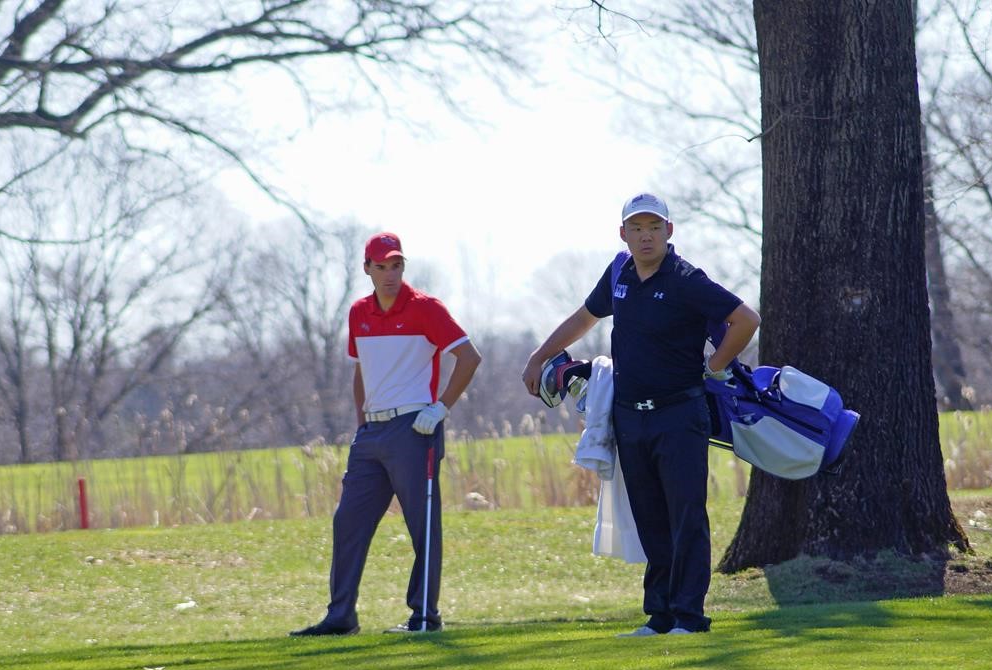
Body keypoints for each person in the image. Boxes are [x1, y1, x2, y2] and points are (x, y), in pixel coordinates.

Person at [523, 193, 760, 636]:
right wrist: (540, 356)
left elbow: (746, 319)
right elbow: (583, 319)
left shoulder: (686, 278)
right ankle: (661, 615)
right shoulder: (619, 273)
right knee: (650, 515)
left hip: (680, 414)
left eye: (654, 227)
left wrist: (714, 367)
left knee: (685, 515)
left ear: (669, 231)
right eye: (637, 228)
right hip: (630, 416)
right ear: (623, 234)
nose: (645, 235)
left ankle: (689, 616)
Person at [291, 232, 482, 636]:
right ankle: (341, 616)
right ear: (367, 269)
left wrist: (441, 407)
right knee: (348, 523)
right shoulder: (359, 312)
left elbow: (469, 357)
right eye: (381, 267)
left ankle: (424, 616)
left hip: (415, 427)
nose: (390, 274)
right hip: (371, 434)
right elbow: (361, 371)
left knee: (422, 525)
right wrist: (362, 422)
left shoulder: (426, 308)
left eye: (396, 265)